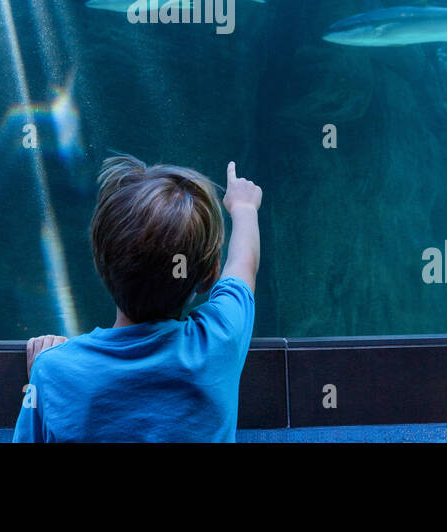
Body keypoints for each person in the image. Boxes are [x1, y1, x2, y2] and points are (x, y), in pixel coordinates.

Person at [13, 156, 262, 442]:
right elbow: (243, 264)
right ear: (210, 276)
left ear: (100, 261)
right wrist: (244, 209)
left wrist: (46, 376)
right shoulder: (220, 339)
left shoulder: (53, 370)